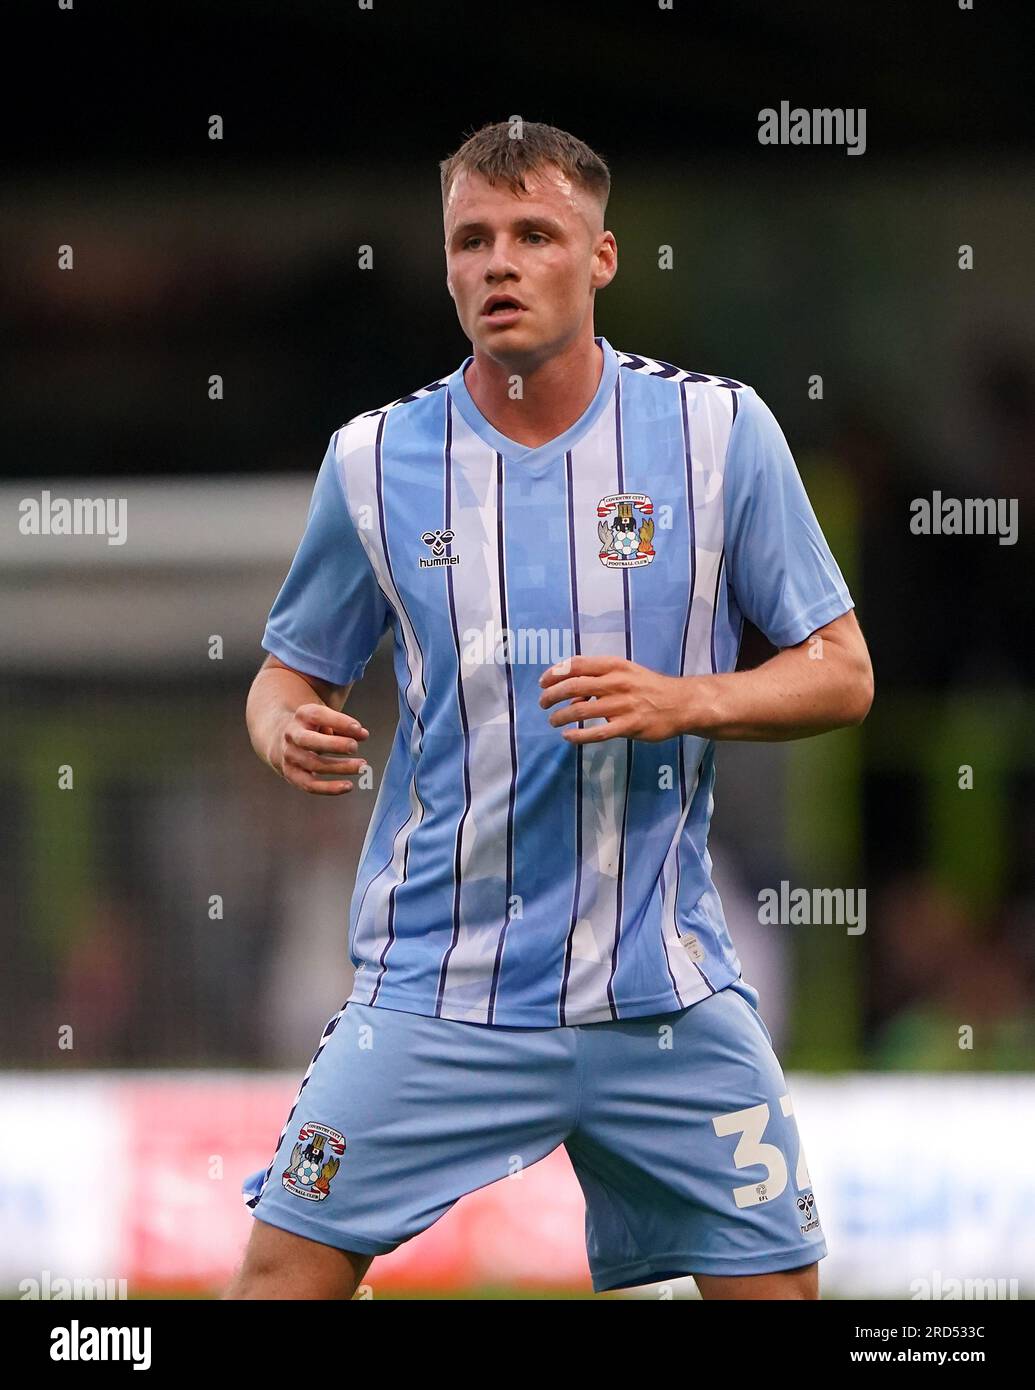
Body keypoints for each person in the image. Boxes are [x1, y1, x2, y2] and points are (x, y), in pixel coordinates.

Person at [225, 120, 873, 1301]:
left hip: (660, 996)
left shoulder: (720, 433)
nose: (498, 263)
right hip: (436, 992)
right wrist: (282, 723)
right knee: (280, 1275)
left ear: (603, 257)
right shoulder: (373, 462)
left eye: (534, 234)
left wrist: (690, 699)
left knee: (778, 1291)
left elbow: (842, 669)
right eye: (471, 239)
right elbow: (285, 672)